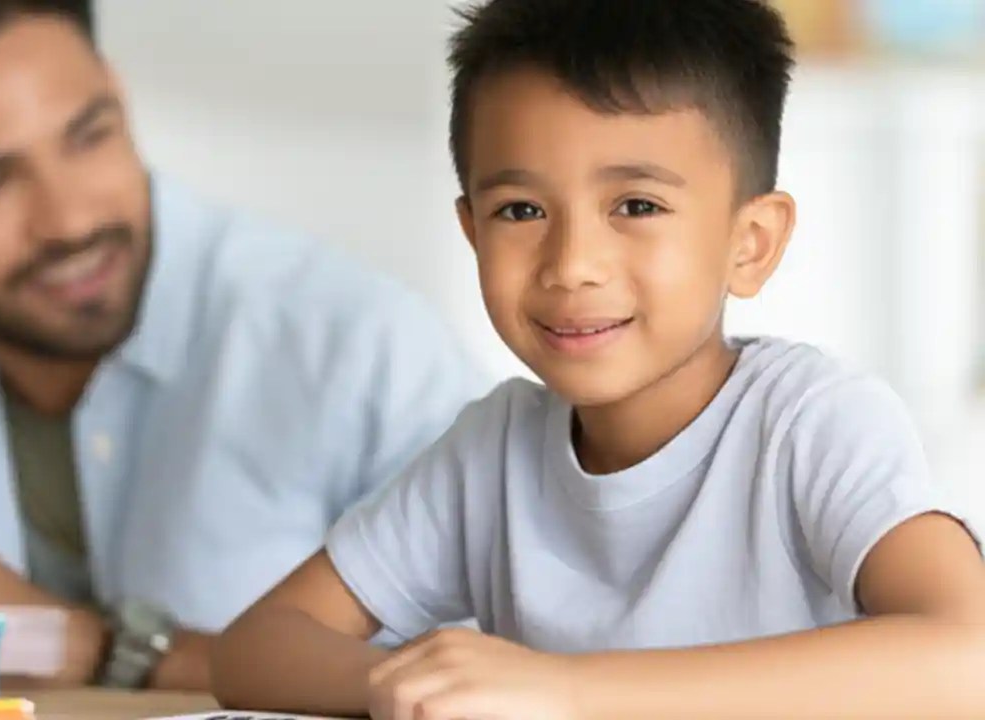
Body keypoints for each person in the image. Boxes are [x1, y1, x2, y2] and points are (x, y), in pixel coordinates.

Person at [213, 1, 985, 717]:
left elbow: (969, 658)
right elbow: (257, 647)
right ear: (473, 231)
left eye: (637, 206)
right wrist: (422, 686)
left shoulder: (808, 422)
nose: (571, 263)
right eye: (521, 211)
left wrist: (564, 691)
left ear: (750, 244)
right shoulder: (491, 451)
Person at [0, 0, 483, 693]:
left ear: (117, 95)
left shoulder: (356, 346)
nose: (69, 220)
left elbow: (498, 668)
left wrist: (87, 642)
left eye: (89, 136)